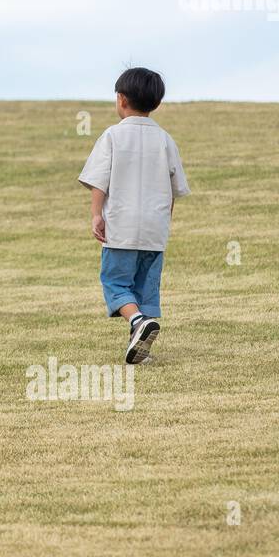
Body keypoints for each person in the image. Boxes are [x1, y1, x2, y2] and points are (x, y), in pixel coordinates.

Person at [78, 67, 190, 364]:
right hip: (154, 231)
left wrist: (95, 215)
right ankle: (140, 348)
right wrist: (165, 222)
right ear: (155, 103)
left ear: (121, 99)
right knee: (146, 289)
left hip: (121, 228)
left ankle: (138, 322)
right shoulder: (166, 140)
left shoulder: (113, 136)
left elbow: (99, 180)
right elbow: (173, 189)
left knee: (116, 283)